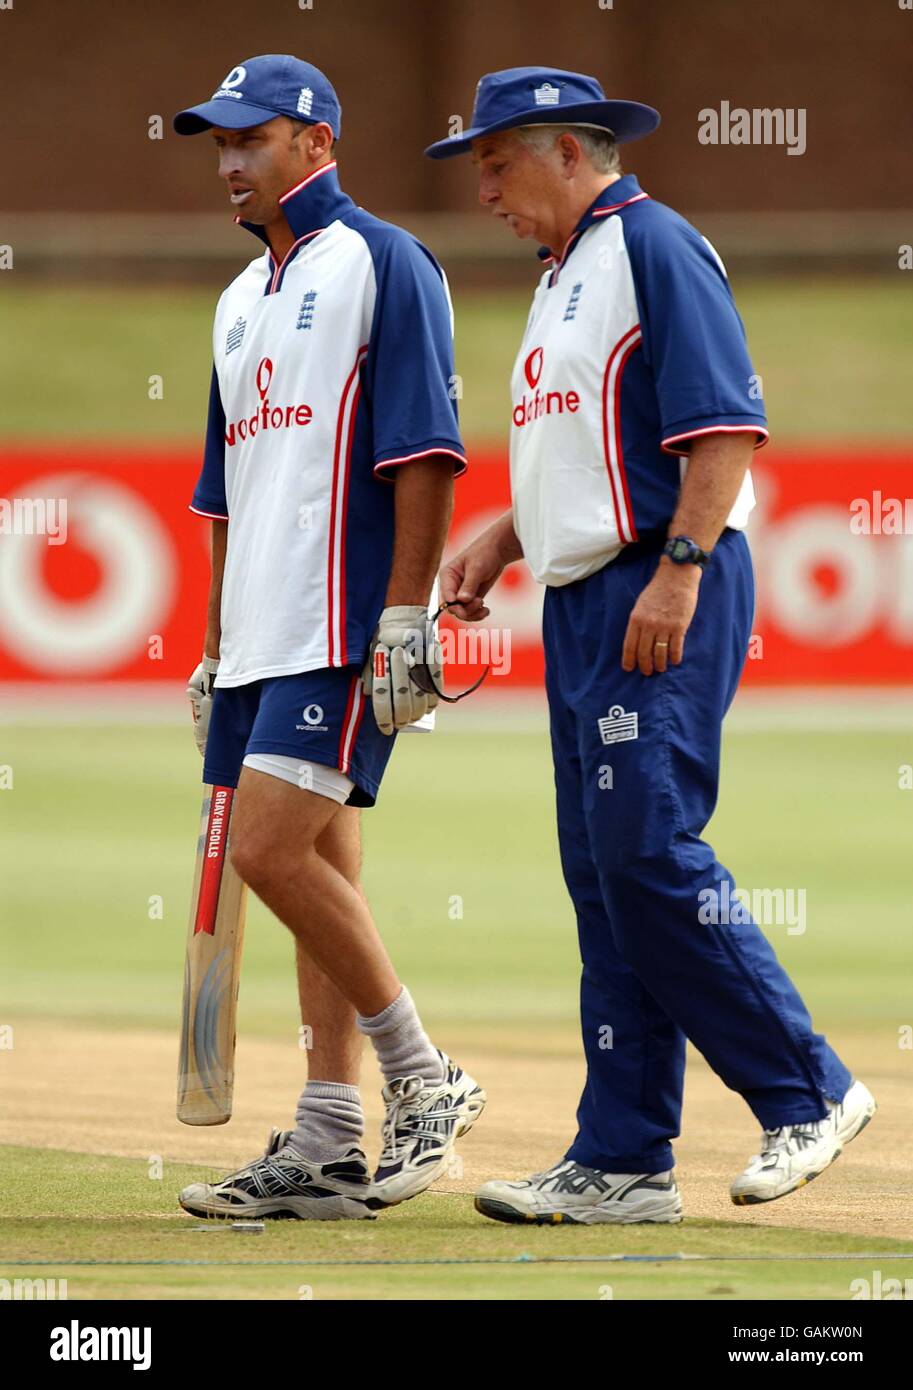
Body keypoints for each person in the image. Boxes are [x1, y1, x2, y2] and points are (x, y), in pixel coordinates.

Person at [429, 67, 875, 1225]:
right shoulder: (564, 273)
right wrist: (507, 530)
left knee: (645, 853)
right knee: (603, 878)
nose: (481, 187)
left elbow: (721, 429)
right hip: (588, 594)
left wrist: (677, 574)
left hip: (657, 581)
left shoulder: (653, 247)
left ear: (570, 153)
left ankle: (809, 1090)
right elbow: (590, 446)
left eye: (495, 160)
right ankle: (624, 1158)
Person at [174, 54, 484, 1221]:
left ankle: (424, 1076)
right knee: (318, 869)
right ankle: (329, 1136)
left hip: (340, 621)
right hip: (255, 636)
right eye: (217, 145)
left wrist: (404, 612)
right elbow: (221, 492)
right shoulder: (234, 301)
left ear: (315, 140)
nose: (229, 164)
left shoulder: (385, 260)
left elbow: (426, 445)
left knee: (269, 852)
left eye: (247, 140)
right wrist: (212, 645)